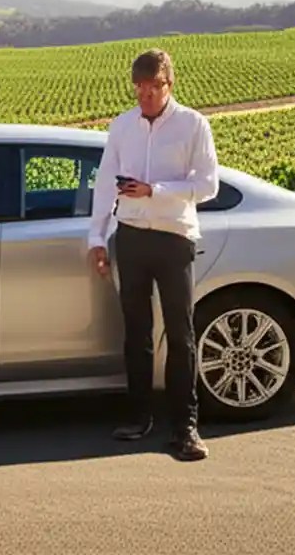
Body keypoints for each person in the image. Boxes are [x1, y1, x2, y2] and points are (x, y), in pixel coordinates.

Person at [87, 48, 219, 461]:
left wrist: (156, 191)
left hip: (174, 238)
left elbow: (208, 184)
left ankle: (186, 428)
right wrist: (97, 237)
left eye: (154, 87)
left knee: (181, 335)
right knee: (136, 332)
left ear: (169, 85)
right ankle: (139, 417)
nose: (146, 95)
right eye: (140, 87)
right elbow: (105, 185)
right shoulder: (122, 126)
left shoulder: (193, 125)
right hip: (131, 237)